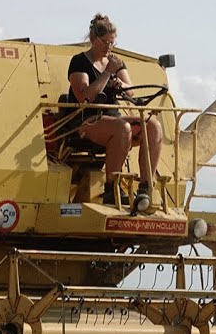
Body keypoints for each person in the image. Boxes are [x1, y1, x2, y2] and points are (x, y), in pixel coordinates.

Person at [67, 13, 163, 206]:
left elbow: (131, 92)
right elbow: (84, 96)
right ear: (94, 40)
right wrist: (107, 73)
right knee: (122, 128)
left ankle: (145, 187)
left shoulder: (116, 62)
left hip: (113, 118)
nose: (109, 47)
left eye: (113, 43)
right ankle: (112, 188)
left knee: (153, 126)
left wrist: (119, 82)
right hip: (88, 120)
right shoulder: (79, 62)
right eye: (106, 43)